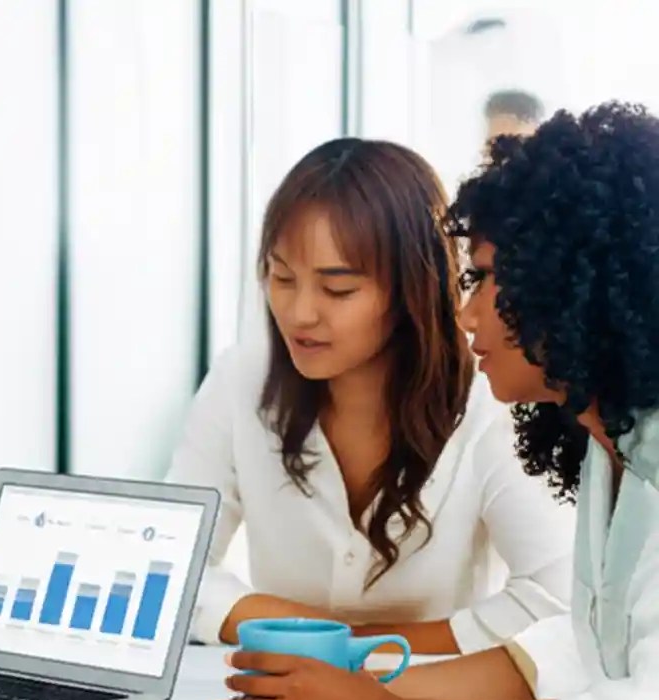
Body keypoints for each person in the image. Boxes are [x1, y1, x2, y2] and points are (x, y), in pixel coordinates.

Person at [212, 102, 659, 700]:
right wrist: (334, 695)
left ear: (573, 288)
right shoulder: (612, 451)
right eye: (281, 278)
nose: (467, 314)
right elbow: (584, 647)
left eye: (485, 279)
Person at [167, 138, 572, 655]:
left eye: (338, 290)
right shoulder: (242, 379)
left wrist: (346, 649)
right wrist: (322, 643)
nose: (300, 314)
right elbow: (171, 565)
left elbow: (552, 601)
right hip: (274, 689)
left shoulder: (492, 400)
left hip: (425, 691)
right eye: (282, 277)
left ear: (412, 289)